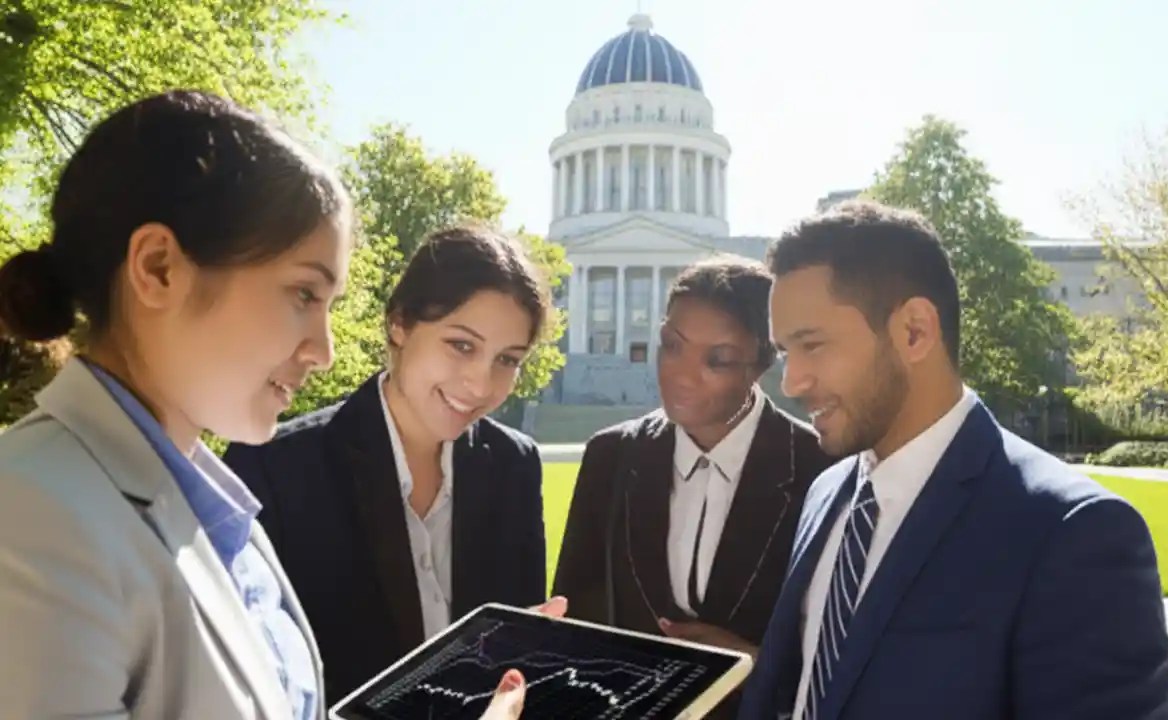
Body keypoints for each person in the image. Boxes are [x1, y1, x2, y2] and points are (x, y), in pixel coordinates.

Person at [0, 90, 535, 720]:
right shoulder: (30, 515)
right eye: (304, 293)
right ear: (159, 268)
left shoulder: (223, 515)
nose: (325, 351)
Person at [738, 200, 1168, 720]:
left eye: (812, 345)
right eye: (786, 353)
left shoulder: (1073, 533)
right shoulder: (826, 493)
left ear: (915, 331)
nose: (791, 383)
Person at [222, 224, 553, 704]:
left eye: (507, 359)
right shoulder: (275, 468)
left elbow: (515, 667)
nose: (481, 385)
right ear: (399, 323)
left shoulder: (514, 465)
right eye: (461, 345)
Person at [553, 255, 834, 718]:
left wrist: (757, 666)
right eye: (671, 345)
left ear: (761, 363)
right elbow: (572, 624)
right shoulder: (611, 457)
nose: (682, 373)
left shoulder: (820, 469)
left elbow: (843, 658)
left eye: (717, 360)